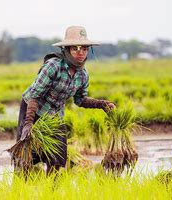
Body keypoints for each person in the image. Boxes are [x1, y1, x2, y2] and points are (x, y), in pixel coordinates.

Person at [16, 26, 116, 174]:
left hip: (54, 116)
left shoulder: (83, 75)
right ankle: (23, 186)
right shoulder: (53, 66)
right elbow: (34, 95)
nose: (80, 52)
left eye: (84, 48)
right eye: (75, 48)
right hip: (34, 108)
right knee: (27, 154)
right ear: (67, 50)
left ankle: (52, 190)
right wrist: (28, 123)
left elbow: (80, 100)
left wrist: (102, 104)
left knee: (57, 157)